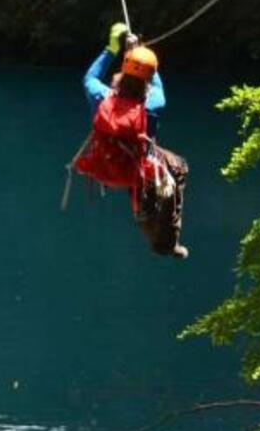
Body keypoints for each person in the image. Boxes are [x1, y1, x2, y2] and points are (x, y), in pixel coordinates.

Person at [75, 24, 190, 259]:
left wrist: (113, 47)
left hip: (104, 165)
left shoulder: (101, 96)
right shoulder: (153, 103)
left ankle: (144, 212)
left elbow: (90, 77)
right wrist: (140, 50)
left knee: (138, 168)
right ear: (147, 78)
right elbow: (156, 86)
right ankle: (166, 240)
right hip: (138, 170)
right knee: (179, 168)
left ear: (123, 73)